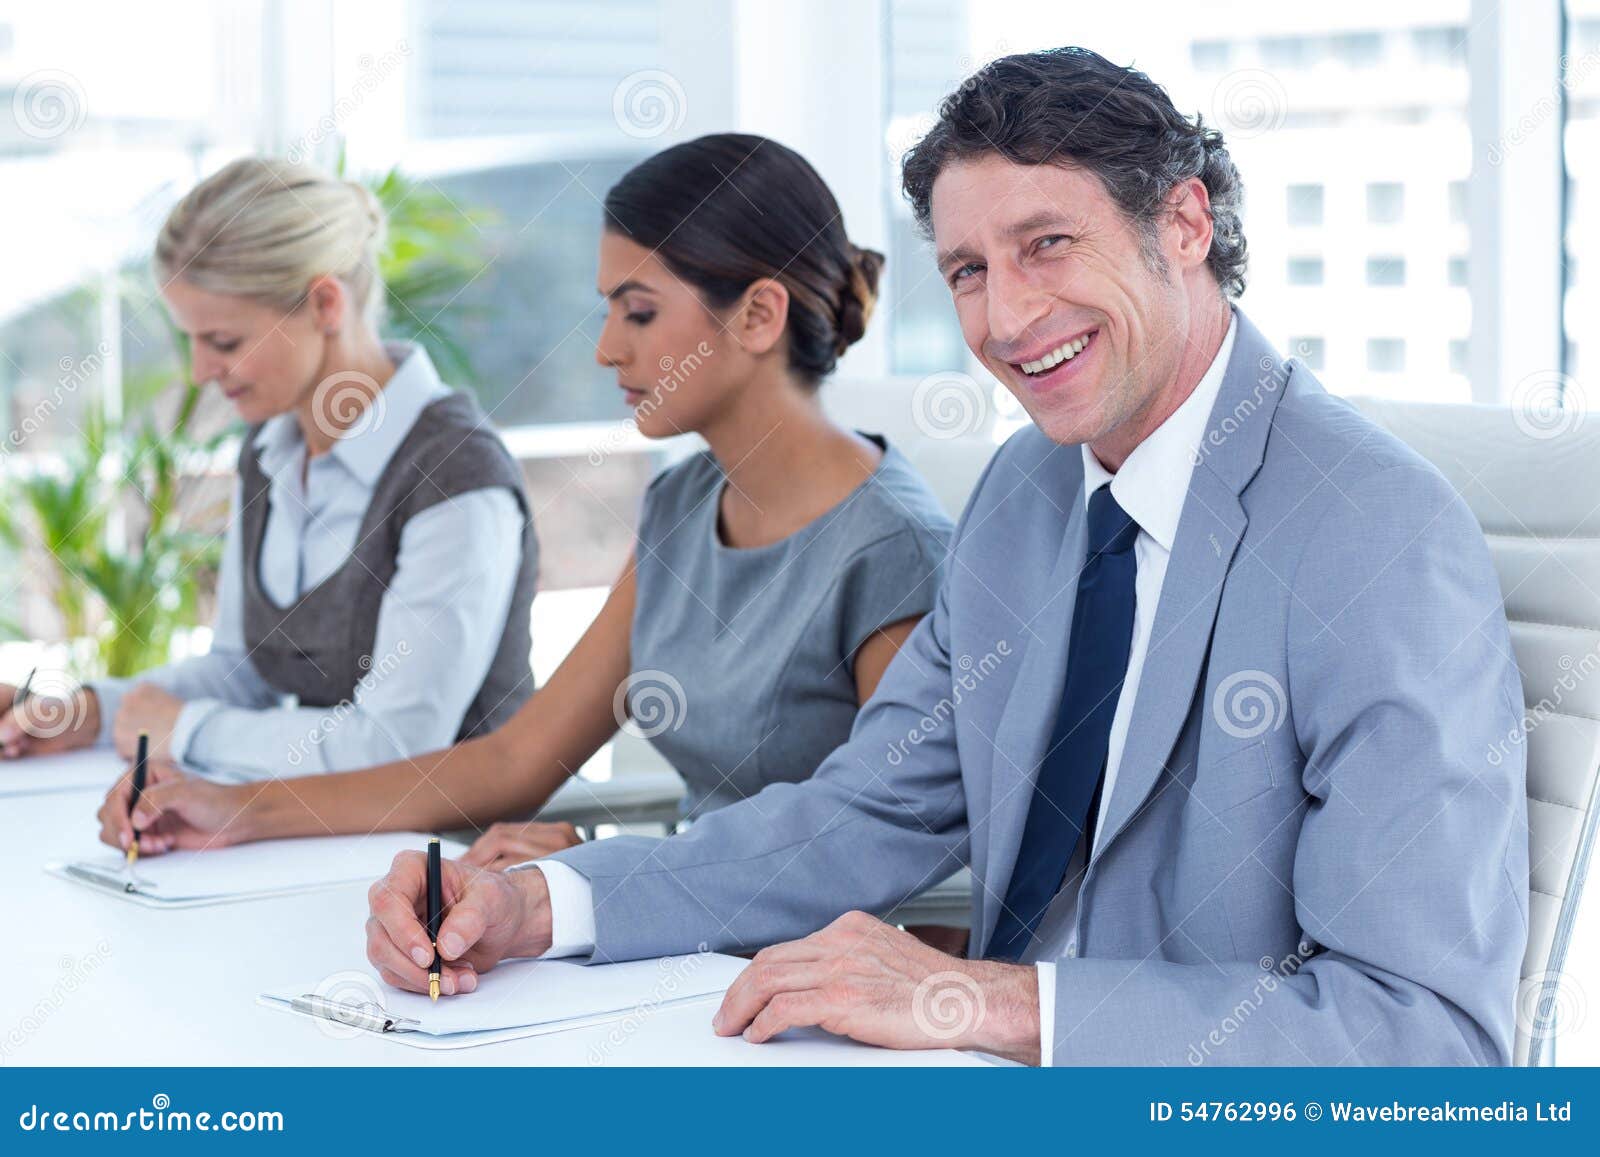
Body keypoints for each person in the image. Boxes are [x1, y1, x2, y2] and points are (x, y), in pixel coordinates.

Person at [363, 49, 1528, 1066]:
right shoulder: (1028, 490)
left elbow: (1426, 1035)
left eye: (1048, 244)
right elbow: (861, 812)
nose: (1009, 319)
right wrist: (538, 903)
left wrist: (988, 998)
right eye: (969, 270)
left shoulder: (1376, 532)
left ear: (1183, 223)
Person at [96, 135, 954, 882]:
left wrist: (598, 868)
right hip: (690, 945)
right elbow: (513, 759)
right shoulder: (683, 506)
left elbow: (887, 855)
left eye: (639, 311)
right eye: (609, 309)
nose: (608, 347)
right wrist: (234, 809)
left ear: (759, 314)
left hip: (802, 991)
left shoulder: (892, 552)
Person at [0, 157, 538, 780]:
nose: (200, 373)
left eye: (224, 343)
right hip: (306, 837)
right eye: (192, 342)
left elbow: (396, 747)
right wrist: (86, 713)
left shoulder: (455, 475)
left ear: (325, 304)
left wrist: (185, 729)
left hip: (450, 856)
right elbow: (241, 670)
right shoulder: (267, 452)